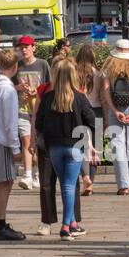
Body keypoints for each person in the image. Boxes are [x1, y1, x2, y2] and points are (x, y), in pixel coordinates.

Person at [36, 59, 97, 241]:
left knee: (65, 186)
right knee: (69, 186)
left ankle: (72, 224)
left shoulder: (48, 98)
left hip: (54, 147)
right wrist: (91, 143)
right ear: (73, 76)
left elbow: (39, 123)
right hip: (74, 147)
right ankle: (65, 227)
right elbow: (92, 120)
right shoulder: (79, 97)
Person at [0, 48, 27, 241]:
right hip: (1, 139)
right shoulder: (7, 89)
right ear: (15, 67)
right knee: (5, 182)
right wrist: (16, 148)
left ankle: (1, 223)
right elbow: (10, 122)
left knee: (5, 181)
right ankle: (0, 224)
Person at [100, 39, 129, 195]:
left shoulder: (108, 69)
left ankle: (123, 185)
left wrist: (113, 111)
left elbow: (106, 92)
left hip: (115, 111)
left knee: (118, 146)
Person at [13, 36, 48, 190]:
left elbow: (49, 85)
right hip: (22, 109)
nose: (24, 49)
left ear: (34, 47)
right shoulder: (17, 66)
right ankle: (27, 175)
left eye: (27, 46)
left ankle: (37, 173)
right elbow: (10, 85)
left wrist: (37, 90)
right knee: (26, 141)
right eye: (21, 47)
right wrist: (18, 88)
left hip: (40, 110)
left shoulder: (43, 64)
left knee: (38, 144)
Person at [74, 43, 101, 197]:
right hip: (96, 111)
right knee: (95, 149)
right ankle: (91, 181)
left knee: (81, 147)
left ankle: (84, 178)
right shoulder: (98, 73)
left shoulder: (74, 73)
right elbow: (103, 96)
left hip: (79, 111)